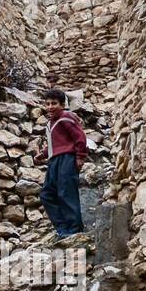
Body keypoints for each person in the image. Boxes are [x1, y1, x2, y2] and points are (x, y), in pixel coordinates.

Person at [33, 88, 88, 241]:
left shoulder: (66, 117)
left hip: (67, 159)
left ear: (62, 105)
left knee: (66, 192)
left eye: (54, 103)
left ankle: (75, 229)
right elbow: (55, 143)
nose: (50, 106)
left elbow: (80, 138)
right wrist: (43, 154)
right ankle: (63, 228)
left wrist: (80, 157)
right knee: (46, 195)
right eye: (48, 104)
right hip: (54, 161)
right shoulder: (50, 123)